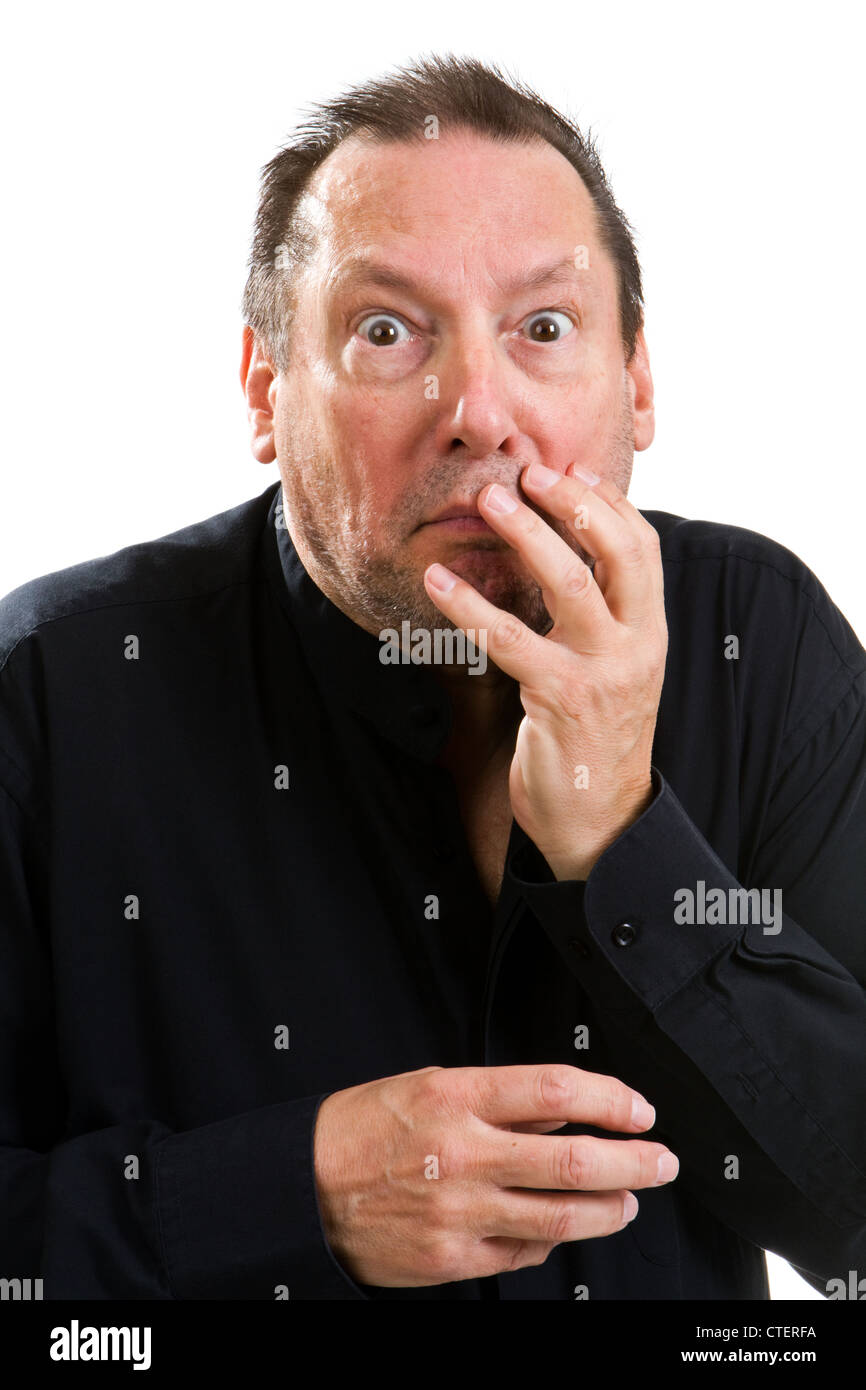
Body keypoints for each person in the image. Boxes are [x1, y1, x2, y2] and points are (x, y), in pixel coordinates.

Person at [1, 54, 864, 1302]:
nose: (477, 411)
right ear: (264, 390)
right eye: (387, 330)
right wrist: (288, 1192)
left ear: (635, 384)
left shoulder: (758, 638)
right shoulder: (49, 694)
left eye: (544, 328)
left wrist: (627, 837)